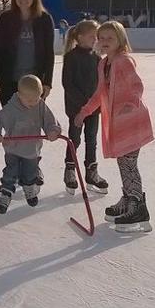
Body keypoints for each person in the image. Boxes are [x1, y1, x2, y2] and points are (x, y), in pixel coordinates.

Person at [75, 21, 154, 233]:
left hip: (132, 121)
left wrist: (130, 103)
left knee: (129, 164)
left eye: (110, 38)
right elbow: (100, 93)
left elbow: (137, 86)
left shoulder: (124, 61)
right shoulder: (104, 64)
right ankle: (130, 199)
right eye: (102, 38)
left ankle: (137, 207)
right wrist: (84, 111)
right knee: (124, 163)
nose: (105, 42)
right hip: (119, 125)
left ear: (120, 40)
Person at [0, 75, 61, 214]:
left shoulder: (40, 105)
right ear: (19, 95)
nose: (33, 102)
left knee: (30, 173)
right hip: (13, 149)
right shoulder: (12, 107)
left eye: (36, 98)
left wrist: (53, 130)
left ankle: (29, 188)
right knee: (11, 172)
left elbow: (50, 120)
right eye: (29, 100)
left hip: (31, 149)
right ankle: (6, 194)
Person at [0, 0, 56, 107]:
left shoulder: (44, 19)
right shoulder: (5, 19)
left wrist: (47, 82)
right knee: (12, 122)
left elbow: (49, 52)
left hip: (34, 82)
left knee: (32, 122)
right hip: (9, 80)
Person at [61, 20, 108, 195]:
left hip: (94, 109)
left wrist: (97, 102)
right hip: (76, 108)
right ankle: (70, 170)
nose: (96, 40)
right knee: (75, 138)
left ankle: (91, 172)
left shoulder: (97, 58)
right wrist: (83, 104)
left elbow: (102, 82)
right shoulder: (71, 57)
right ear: (80, 38)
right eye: (92, 37)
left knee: (91, 139)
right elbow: (68, 83)